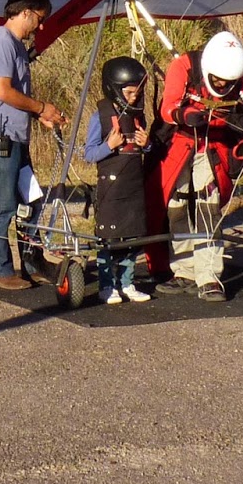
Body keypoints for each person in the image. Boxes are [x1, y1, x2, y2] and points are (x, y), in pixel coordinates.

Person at [153, 30, 243, 301]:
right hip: (179, 143)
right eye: (217, 80)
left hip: (213, 147)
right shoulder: (184, 66)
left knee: (208, 205)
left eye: (227, 82)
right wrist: (184, 114)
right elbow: (168, 107)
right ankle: (184, 271)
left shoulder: (242, 77)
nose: (222, 85)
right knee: (177, 205)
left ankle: (208, 276)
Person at [0, 0, 67, 289]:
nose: (40, 27)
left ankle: (33, 263)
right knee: (4, 205)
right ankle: (1, 271)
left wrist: (42, 115)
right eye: (39, 19)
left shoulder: (15, 47)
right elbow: (3, 91)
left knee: (31, 200)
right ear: (25, 12)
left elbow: (16, 97)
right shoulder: (0, 43)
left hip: (14, 136)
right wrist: (41, 107)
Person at [83, 55, 155, 304]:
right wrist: (108, 145)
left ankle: (127, 283)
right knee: (109, 240)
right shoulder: (100, 117)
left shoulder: (139, 116)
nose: (134, 97)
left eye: (138, 92)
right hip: (110, 188)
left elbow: (146, 149)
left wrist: (147, 145)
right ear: (115, 89)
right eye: (129, 92)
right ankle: (107, 285)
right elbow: (89, 154)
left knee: (132, 237)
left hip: (134, 186)